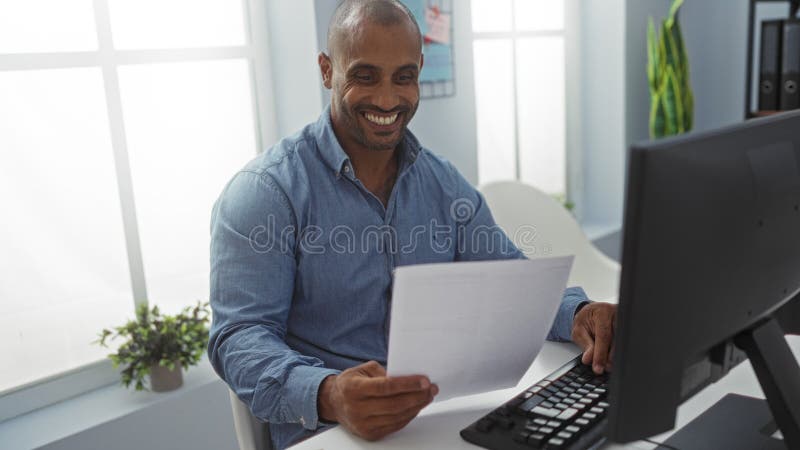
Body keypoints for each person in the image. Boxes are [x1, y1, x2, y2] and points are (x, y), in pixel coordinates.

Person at [208, 1, 617, 449]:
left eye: (403, 77)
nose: (387, 99)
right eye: (365, 76)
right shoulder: (265, 194)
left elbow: (513, 281)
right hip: (332, 434)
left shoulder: (444, 184)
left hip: (441, 422)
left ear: (419, 70)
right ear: (327, 70)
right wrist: (328, 393)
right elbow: (238, 338)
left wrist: (580, 314)